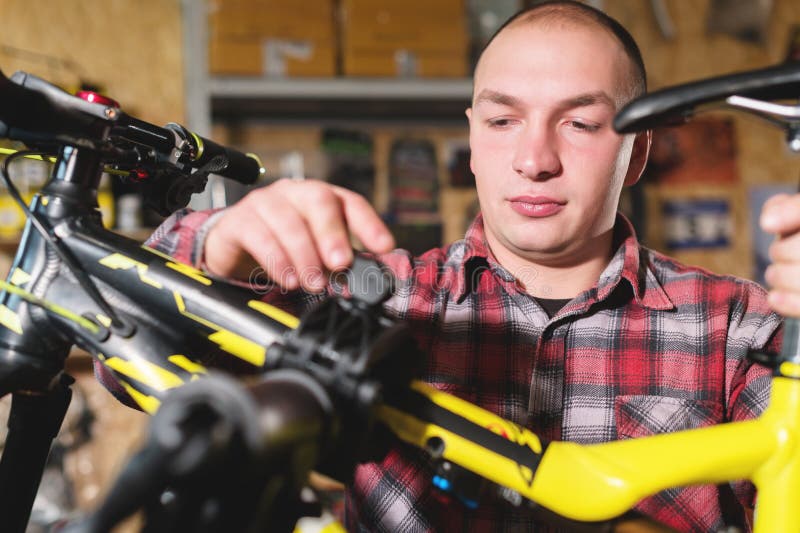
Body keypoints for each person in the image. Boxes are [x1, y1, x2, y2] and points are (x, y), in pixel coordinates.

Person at [132, 1, 800, 531]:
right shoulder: (381, 300)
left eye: (581, 124)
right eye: (504, 120)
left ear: (640, 151)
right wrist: (219, 243)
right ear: (473, 138)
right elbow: (125, 342)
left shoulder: (736, 325)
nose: (534, 158)